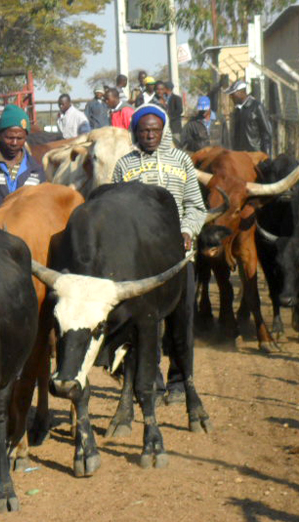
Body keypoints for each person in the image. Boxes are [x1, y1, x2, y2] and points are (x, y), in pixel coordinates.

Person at [111, 104, 206, 401]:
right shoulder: (124, 166)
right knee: (144, 323)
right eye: (144, 130)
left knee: (182, 321)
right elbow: (117, 212)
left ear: (163, 131)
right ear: (135, 132)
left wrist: (188, 230)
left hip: (179, 256)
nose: (150, 135)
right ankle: (151, 380)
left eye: (155, 130)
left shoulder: (182, 161)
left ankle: (181, 381)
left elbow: (196, 206)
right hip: (141, 262)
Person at [227, 79, 273, 155]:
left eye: (233, 94)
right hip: (241, 155)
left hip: (254, 154)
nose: (231, 97)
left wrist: (266, 157)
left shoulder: (256, 107)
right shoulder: (237, 110)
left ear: (241, 92)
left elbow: (266, 133)